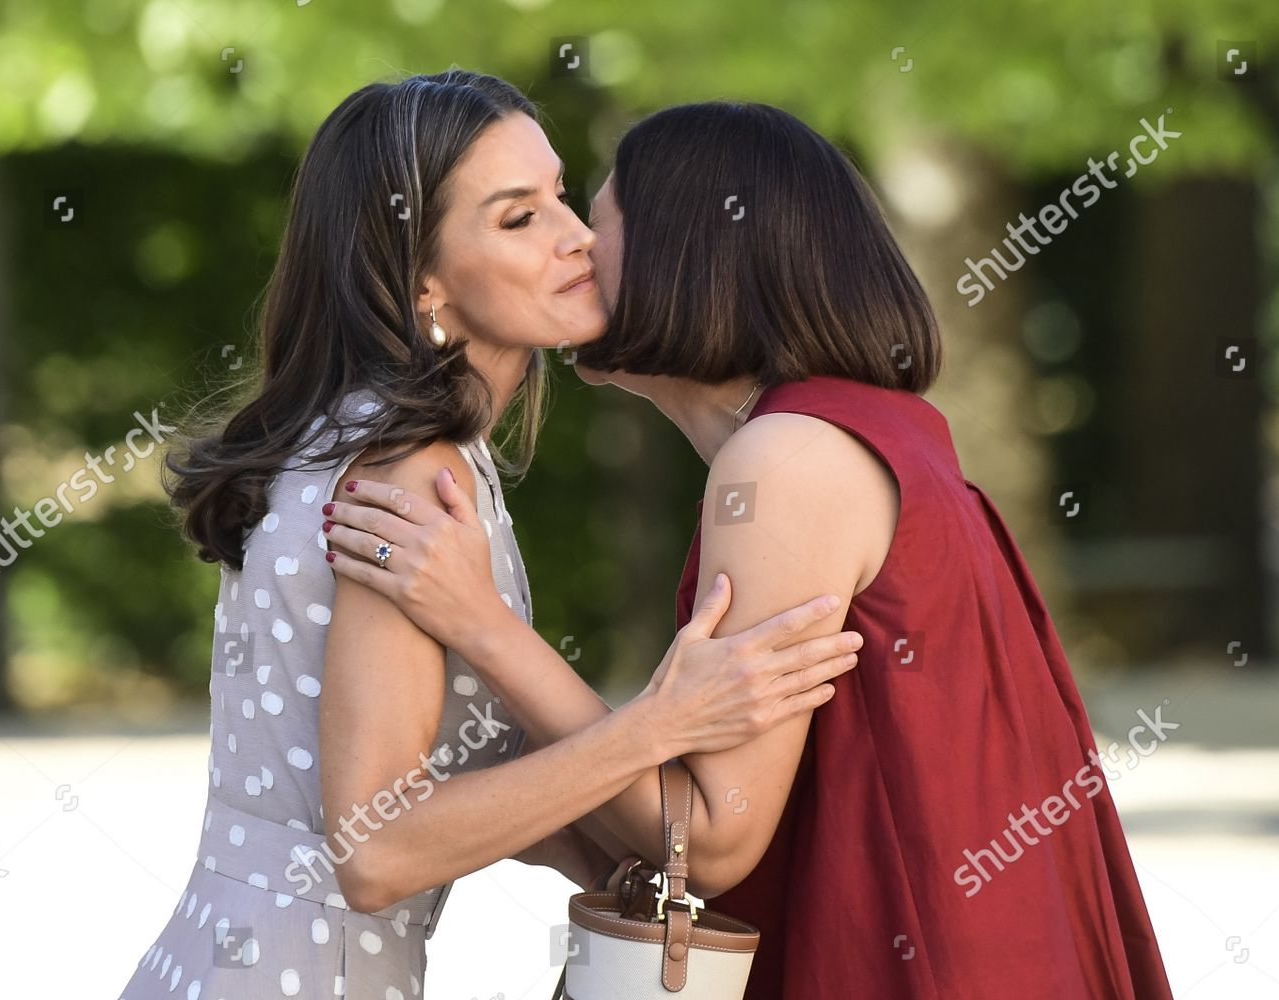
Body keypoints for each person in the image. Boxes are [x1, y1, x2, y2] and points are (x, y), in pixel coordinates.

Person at [328, 101, 1174, 998]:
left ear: (693, 251)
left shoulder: (786, 461)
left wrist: (482, 625)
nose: (573, 245)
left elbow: (715, 835)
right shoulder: (859, 435)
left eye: (596, 220)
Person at [116, 72, 860, 1000]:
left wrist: (657, 822)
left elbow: (483, 788)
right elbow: (376, 850)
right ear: (421, 276)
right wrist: (657, 725)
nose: (577, 236)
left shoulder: (393, 442)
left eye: (559, 195)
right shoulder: (407, 468)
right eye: (518, 219)